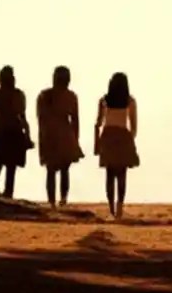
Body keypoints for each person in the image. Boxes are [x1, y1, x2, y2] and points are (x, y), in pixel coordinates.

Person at [94, 71, 140, 219]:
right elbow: (133, 125)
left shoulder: (104, 100)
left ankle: (111, 209)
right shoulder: (130, 101)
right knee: (121, 175)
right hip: (122, 135)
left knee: (109, 174)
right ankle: (120, 207)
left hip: (108, 136)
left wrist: (97, 142)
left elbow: (98, 123)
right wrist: (130, 140)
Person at [36, 66, 84, 206]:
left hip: (49, 134)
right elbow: (75, 120)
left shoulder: (44, 95)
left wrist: (43, 137)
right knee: (64, 170)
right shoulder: (70, 96)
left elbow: (40, 119)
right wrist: (75, 139)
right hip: (65, 135)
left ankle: (52, 202)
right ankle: (63, 199)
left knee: (51, 171)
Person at [0, 65, 31, 198]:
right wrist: (27, 135)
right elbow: (23, 117)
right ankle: (5, 194)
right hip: (12, 132)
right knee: (9, 168)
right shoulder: (17, 95)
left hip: (2, 132)